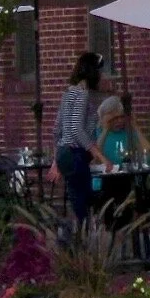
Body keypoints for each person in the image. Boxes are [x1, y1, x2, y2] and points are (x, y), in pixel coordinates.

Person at [49, 52, 111, 226]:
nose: (102, 75)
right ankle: (81, 242)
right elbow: (77, 130)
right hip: (76, 154)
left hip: (64, 153)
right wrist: (101, 156)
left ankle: (77, 240)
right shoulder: (82, 93)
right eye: (100, 71)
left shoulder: (69, 92)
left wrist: (57, 159)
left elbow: (58, 128)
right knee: (85, 203)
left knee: (77, 202)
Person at [95, 95, 150, 167]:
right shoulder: (96, 133)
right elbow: (95, 159)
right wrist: (105, 130)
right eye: (115, 118)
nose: (120, 121)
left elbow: (148, 155)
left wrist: (135, 127)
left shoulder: (128, 132)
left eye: (122, 117)